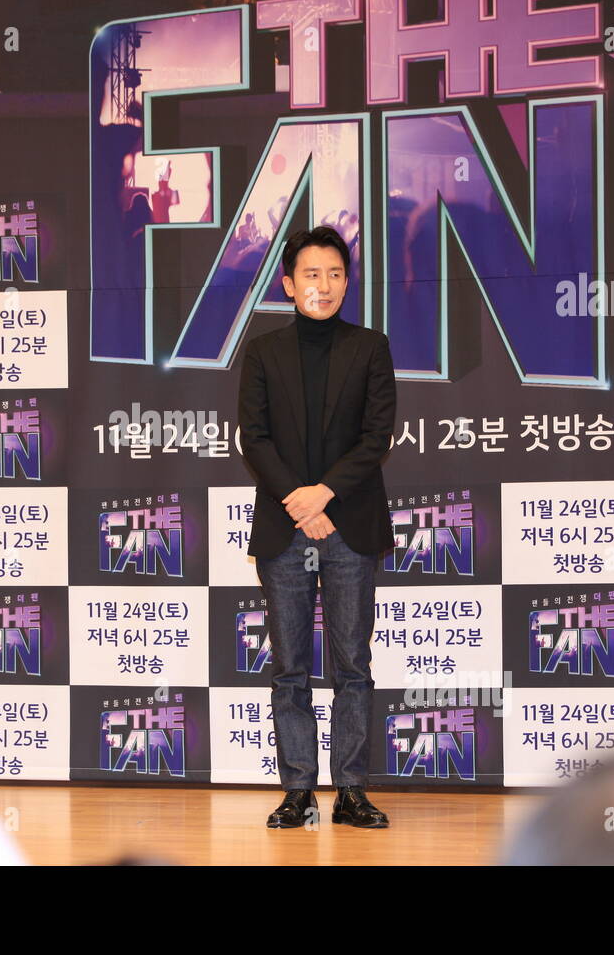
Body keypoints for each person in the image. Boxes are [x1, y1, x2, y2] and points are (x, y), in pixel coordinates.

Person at [237, 225, 397, 829]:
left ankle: (351, 790)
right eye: (311, 274)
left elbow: (375, 438)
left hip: (350, 524)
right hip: (284, 530)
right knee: (290, 669)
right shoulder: (263, 352)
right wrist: (298, 502)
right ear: (288, 283)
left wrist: (322, 495)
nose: (323, 285)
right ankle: (298, 791)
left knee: (353, 665)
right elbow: (254, 438)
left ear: (346, 282)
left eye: (334, 274)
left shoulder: (371, 347)